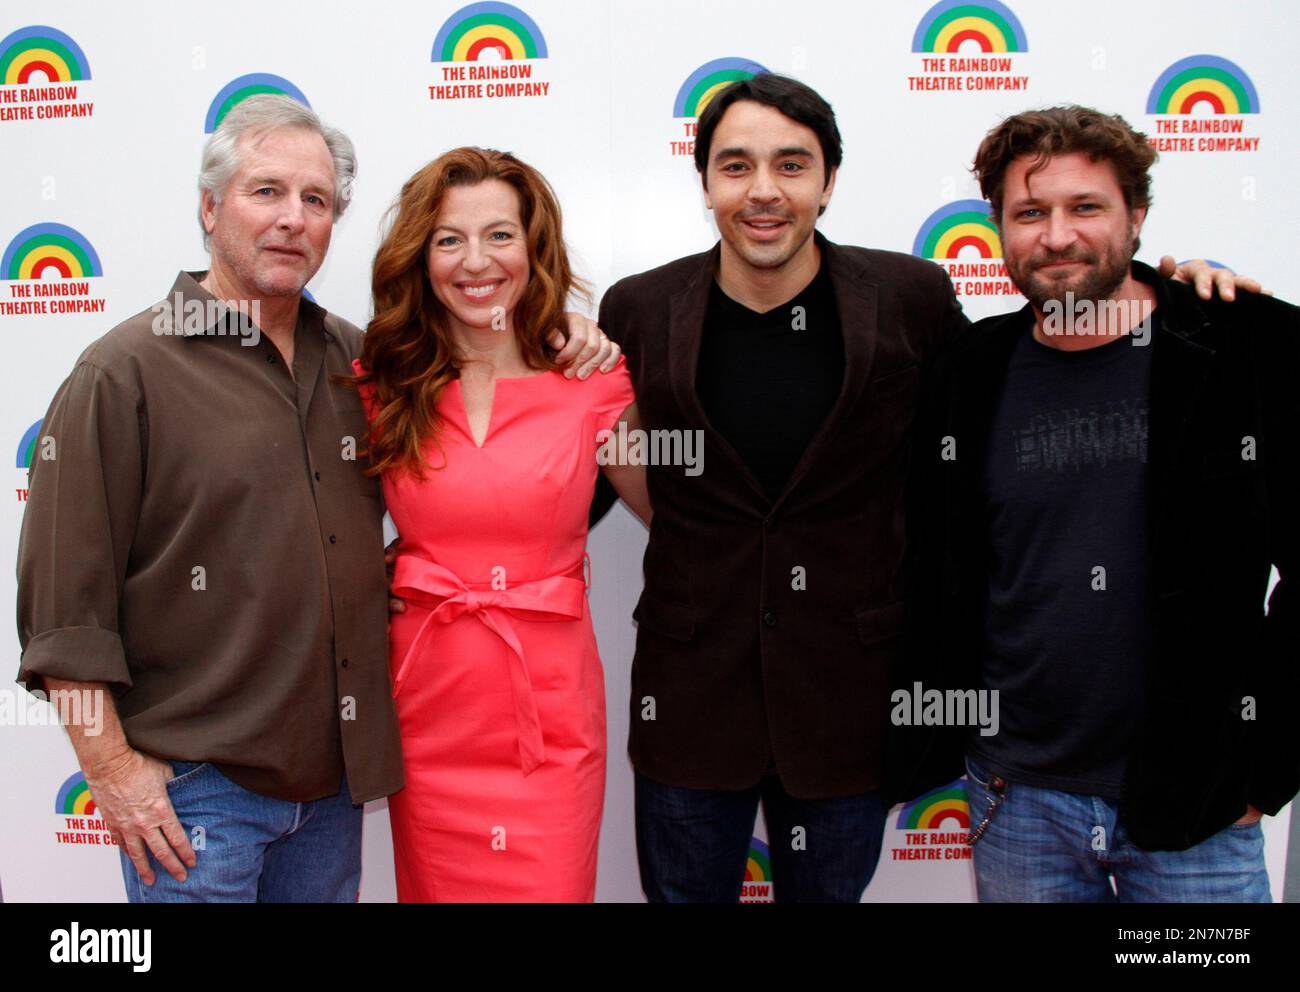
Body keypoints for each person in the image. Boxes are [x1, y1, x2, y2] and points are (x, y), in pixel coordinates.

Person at [587, 74, 1255, 904]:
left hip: (848, 708)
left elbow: (1047, 353)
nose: (764, 190)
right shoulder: (639, 308)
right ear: (706, 184)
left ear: (828, 182)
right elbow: (578, 460)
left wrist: (1183, 296)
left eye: (792, 165)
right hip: (689, 705)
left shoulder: (910, 299)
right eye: (737, 166)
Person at [15, 94, 618, 903]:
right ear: (208, 206)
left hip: (334, 789)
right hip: (198, 794)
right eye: (266, 191)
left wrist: (564, 333)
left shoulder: (360, 366)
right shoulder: (124, 371)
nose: (292, 219)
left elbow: (489, 435)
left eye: (316, 200)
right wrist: (114, 773)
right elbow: (63, 612)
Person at [889, 106, 1297, 902]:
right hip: (1016, 801)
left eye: (1086, 207)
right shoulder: (968, 370)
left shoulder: (1243, 347)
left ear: (1136, 216)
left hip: (1197, 809)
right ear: (999, 228)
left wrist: (1266, 772)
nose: (1057, 236)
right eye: (1030, 212)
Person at [351, 147, 650, 902]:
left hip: (547, 717)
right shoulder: (380, 381)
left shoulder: (592, 377)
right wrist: (367, 573)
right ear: (420, 258)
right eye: (449, 239)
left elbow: (678, 515)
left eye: (500, 236)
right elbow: (311, 514)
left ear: (534, 246)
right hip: (426, 709)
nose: (475, 261)